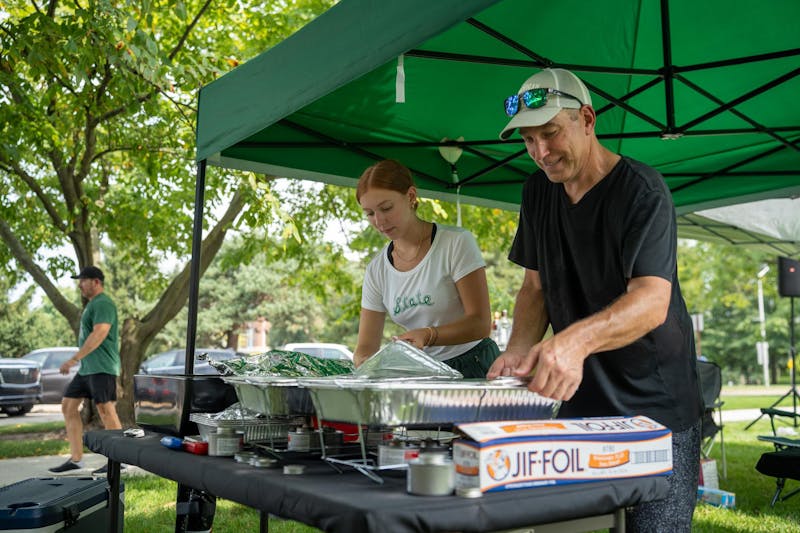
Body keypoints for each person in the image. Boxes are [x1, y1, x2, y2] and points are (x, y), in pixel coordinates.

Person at [486, 68, 703, 531]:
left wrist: (573, 343)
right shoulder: (536, 191)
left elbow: (650, 301)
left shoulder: (642, 191)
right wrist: (520, 347)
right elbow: (534, 288)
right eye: (528, 140)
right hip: (580, 404)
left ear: (587, 118)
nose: (541, 152)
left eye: (550, 133)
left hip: (655, 409)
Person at [354, 159, 498, 377]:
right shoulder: (376, 270)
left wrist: (429, 335)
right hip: (423, 374)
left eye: (386, 208)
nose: (379, 221)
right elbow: (365, 349)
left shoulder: (455, 243)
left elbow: (480, 323)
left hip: (474, 363)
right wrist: (369, 364)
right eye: (370, 213)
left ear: (411, 196)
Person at [49, 266, 123, 475]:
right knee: (68, 406)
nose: (79, 284)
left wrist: (74, 359)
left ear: (96, 282)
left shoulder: (104, 303)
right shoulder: (92, 305)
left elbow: (99, 334)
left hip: (102, 367)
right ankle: (76, 459)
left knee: (106, 410)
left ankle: (121, 460)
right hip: (88, 368)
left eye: (83, 280)